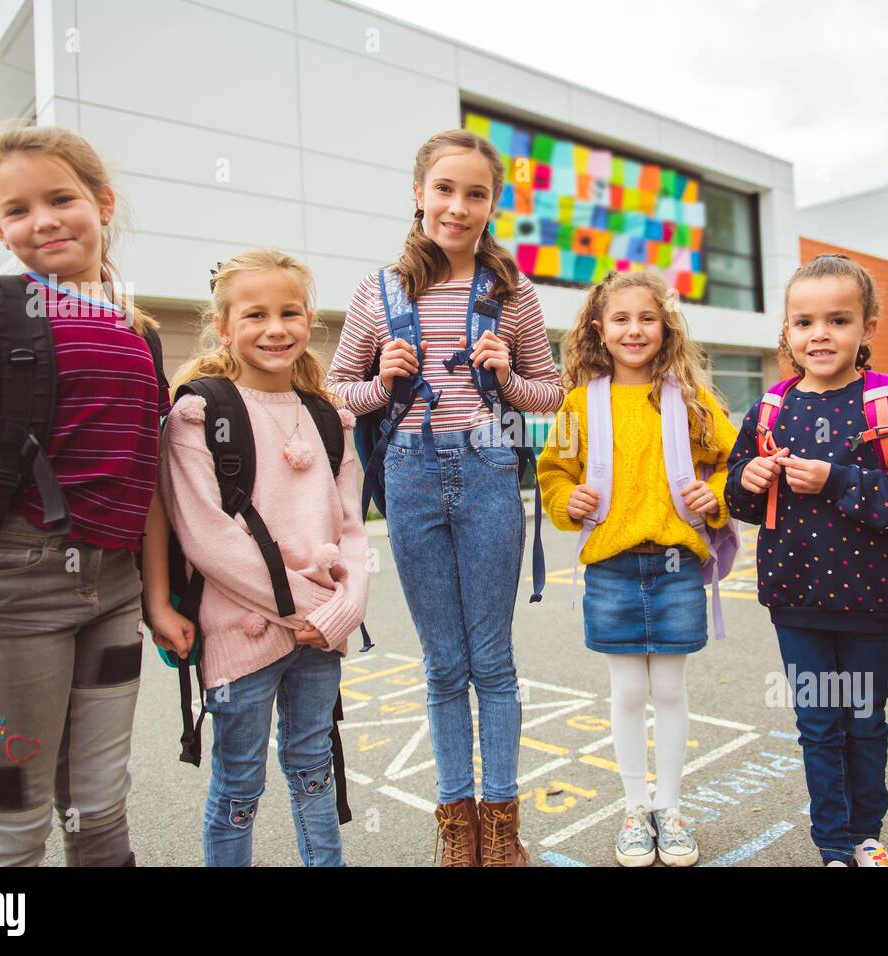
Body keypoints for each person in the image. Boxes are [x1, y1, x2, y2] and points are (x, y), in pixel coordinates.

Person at [0, 124, 187, 865]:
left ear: (102, 202)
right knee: (15, 819)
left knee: (100, 807)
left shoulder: (137, 332)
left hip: (112, 596)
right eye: (16, 210)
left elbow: (148, 476)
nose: (42, 220)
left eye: (61, 197)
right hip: (17, 593)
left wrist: (156, 599)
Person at [328, 129, 563, 866]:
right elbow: (336, 393)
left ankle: (501, 825)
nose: (457, 207)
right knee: (441, 665)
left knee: (490, 660)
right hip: (409, 471)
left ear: (494, 204)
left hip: (490, 466)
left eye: (476, 194)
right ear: (418, 193)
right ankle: (455, 825)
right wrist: (380, 383)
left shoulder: (511, 292)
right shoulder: (379, 291)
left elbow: (551, 393)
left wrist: (508, 375)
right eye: (444, 190)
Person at [158, 250, 368, 867]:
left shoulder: (330, 419)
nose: (275, 328)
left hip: (317, 638)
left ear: (309, 321)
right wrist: (311, 610)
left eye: (290, 312)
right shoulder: (200, 414)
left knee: (314, 771)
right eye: (255, 315)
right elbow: (208, 539)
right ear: (223, 327)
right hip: (241, 636)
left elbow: (353, 531)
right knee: (238, 784)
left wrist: (339, 614)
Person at [726, 254, 888, 866]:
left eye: (838, 320)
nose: (819, 334)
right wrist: (752, 476)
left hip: (872, 598)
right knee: (817, 725)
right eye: (803, 322)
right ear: (787, 332)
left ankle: (866, 834)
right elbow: (736, 493)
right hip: (796, 599)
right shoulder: (770, 407)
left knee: (864, 721)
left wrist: (840, 480)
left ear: (868, 328)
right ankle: (833, 845)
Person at [538, 270, 736, 867]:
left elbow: (733, 459)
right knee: (626, 691)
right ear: (599, 329)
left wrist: (718, 495)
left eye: (647, 318)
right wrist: (563, 501)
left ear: (666, 325)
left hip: (676, 562)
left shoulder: (689, 398)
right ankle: (634, 808)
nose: (634, 329)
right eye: (621, 319)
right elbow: (555, 470)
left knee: (670, 688)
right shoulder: (579, 403)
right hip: (611, 565)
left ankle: (669, 808)